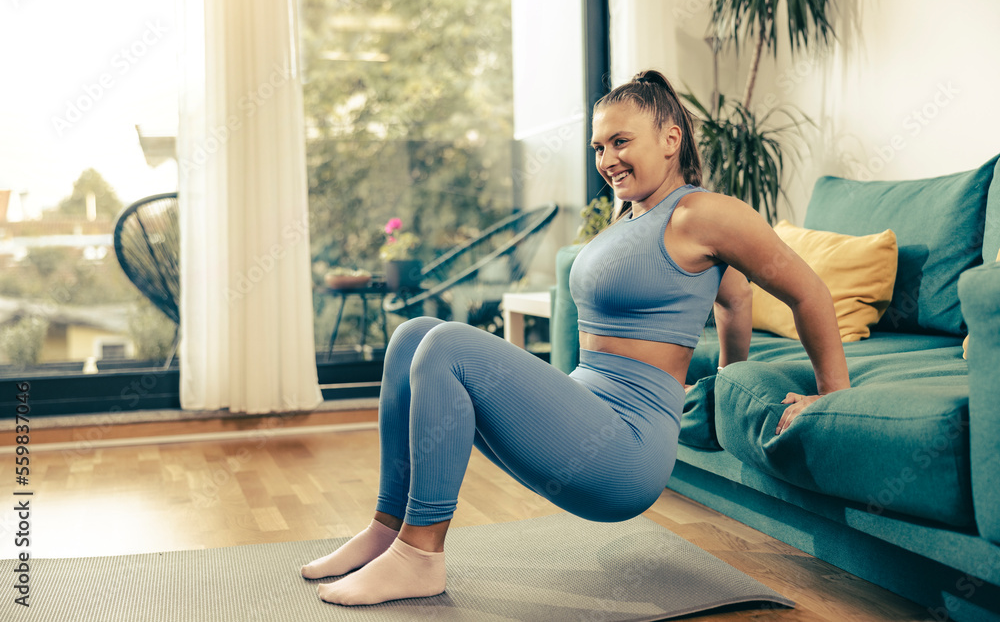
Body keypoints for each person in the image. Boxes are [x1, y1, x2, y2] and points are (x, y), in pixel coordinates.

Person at [301, 69, 851, 606]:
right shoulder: (635, 216)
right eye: (597, 147)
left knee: (445, 346)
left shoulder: (704, 212)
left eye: (620, 141)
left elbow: (808, 293)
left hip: (625, 449)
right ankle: (386, 527)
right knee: (412, 337)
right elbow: (734, 299)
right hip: (587, 411)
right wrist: (726, 378)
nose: (606, 159)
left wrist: (830, 393)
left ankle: (420, 556)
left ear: (670, 139)